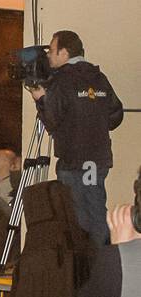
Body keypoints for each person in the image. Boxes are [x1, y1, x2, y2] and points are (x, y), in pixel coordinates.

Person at [30, 29, 124, 245]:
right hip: (98, 159)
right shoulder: (99, 78)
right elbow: (116, 116)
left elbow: (52, 121)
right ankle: (103, 263)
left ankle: (86, 268)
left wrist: (41, 99)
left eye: (52, 51)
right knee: (96, 208)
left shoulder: (61, 81)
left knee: (76, 216)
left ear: (64, 53)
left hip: (73, 160)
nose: (48, 56)